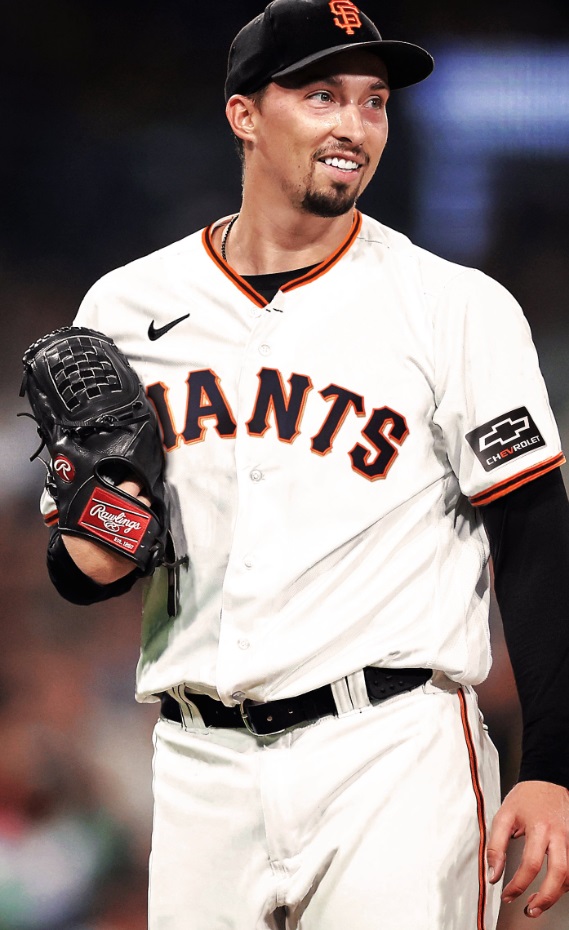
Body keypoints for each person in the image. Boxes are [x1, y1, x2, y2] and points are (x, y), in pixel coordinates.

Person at [39, 1, 569, 927]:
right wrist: (100, 538)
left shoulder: (451, 306)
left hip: (392, 759)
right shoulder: (127, 304)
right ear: (244, 113)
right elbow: (83, 569)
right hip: (200, 764)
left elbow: (535, 542)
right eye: (321, 94)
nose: (353, 125)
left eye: (372, 103)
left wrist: (557, 769)